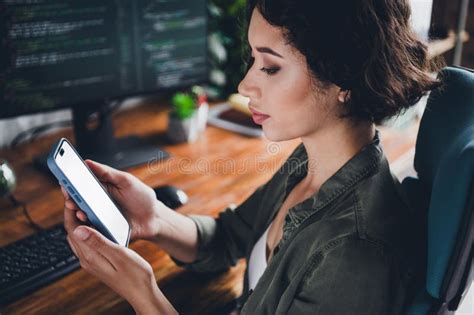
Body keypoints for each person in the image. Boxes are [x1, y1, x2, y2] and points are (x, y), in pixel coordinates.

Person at [61, 0, 442, 314]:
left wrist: (143, 293)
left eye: (270, 67)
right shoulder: (312, 162)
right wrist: (154, 218)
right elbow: (229, 238)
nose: (245, 85)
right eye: (253, 59)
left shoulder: (354, 253)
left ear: (343, 75)